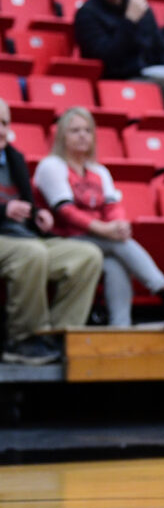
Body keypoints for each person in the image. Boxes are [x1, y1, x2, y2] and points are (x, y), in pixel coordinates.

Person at [34, 108, 164, 326]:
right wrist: (106, 230)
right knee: (119, 244)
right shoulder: (51, 166)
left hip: (98, 240)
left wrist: (118, 224)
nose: (82, 135)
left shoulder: (99, 170)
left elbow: (113, 206)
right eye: (75, 130)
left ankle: (121, 327)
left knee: (114, 264)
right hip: (61, 239)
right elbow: (66, 212)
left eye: (87, 130)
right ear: (62, 135)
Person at [0, 101, 102, 366]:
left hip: (21, 237)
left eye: (5, 123)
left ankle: (54, 337)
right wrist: (4, 210)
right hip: (15, 244)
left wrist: (37, 216)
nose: (1, 130)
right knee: (30, 253)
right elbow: (7, 207)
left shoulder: (14, 157)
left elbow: (24, 205)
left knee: (87, 255)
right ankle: (21, 341)